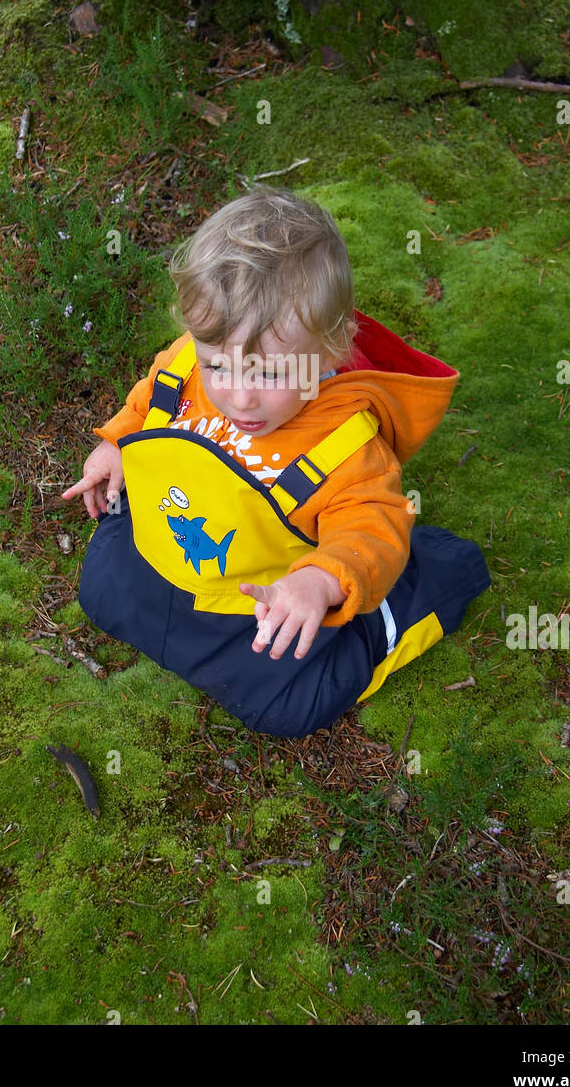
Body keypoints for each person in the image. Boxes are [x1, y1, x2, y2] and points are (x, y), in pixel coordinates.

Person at [62, 188, 490, 738]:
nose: (239, 398)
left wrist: (320, 582)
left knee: (290, 706)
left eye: (270, 375)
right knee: (98, 592)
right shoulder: (194, 356)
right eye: (218, 366)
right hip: (176, 550)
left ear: (333, 350)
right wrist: (118, 442)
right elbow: (152, 396)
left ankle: (414, 596)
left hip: (263, 601)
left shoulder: (346, 445)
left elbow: (371, 523)